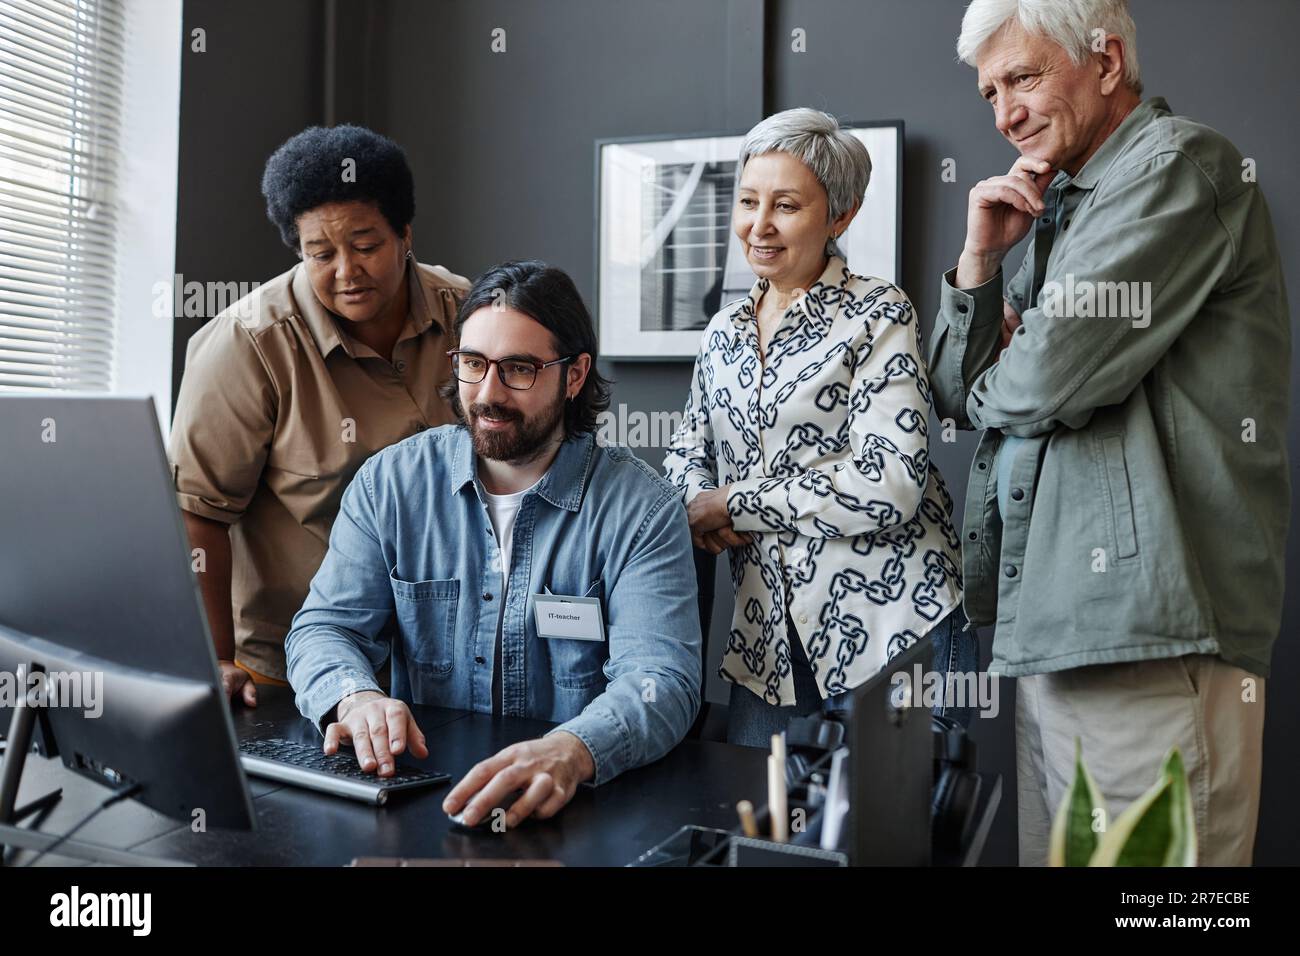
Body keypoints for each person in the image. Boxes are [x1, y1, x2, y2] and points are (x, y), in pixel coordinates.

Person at [930, 0, 1289, 865]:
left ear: (1106, 59)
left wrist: (1021, 360)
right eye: (989, 93)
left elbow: (1043, 377)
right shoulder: (1064, 209)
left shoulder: (1175, 168)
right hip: (1056, 627)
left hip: (1154, 635)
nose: (1005, 113)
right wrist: (981, 261)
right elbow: (953, 391)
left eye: (1022, 76)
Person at [284, 261, 701, 828]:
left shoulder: (641, 509)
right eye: (473, 364)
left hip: (577, 810)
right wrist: (355, 697)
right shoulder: (391, 484)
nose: (488, 394)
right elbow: (323, 630)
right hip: (421, 802)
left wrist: (573, 749)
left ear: (574, 376)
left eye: (519, 370)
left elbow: (661, 681)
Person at [664, 108, 974, 748]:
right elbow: (687, 447)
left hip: (891, 625)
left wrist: (733, 503)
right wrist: (698, 498)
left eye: (786, 205)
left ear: (840, 216)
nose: (760, 225)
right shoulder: (722, 330)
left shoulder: (878, 311)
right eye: (748, 202)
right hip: (765, 641)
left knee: (897, 838)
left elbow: (889, 483)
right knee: (761, 834)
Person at [169, 125, 469, 705]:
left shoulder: (466, 311)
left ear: (404, 235)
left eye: (365, 245)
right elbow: (196, 514)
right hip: (289, 670)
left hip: (442, 664)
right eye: (320, 254)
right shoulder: (247, 344)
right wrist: (216, 659)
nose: (346, 272)